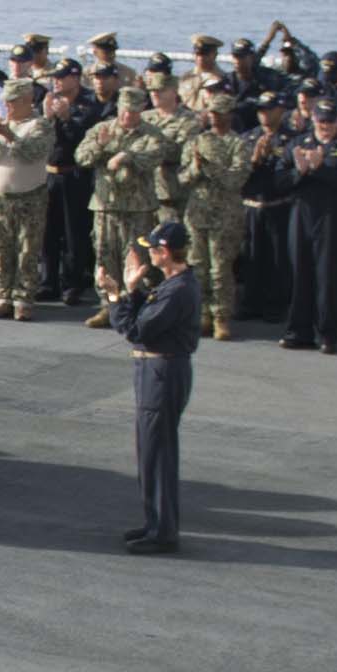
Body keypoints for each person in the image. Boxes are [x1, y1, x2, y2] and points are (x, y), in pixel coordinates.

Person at [115, 221, 200, 553]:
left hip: (162, 373)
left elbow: (136, 329)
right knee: (150, 452)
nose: (148, 254)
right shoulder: (172, 285)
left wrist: (117, 296)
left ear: (164, 253)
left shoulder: (177, 291)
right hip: (157, 370)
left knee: (158, 454)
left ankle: (163, 531)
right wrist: (133, 291)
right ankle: (155, 523)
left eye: (151, 249)